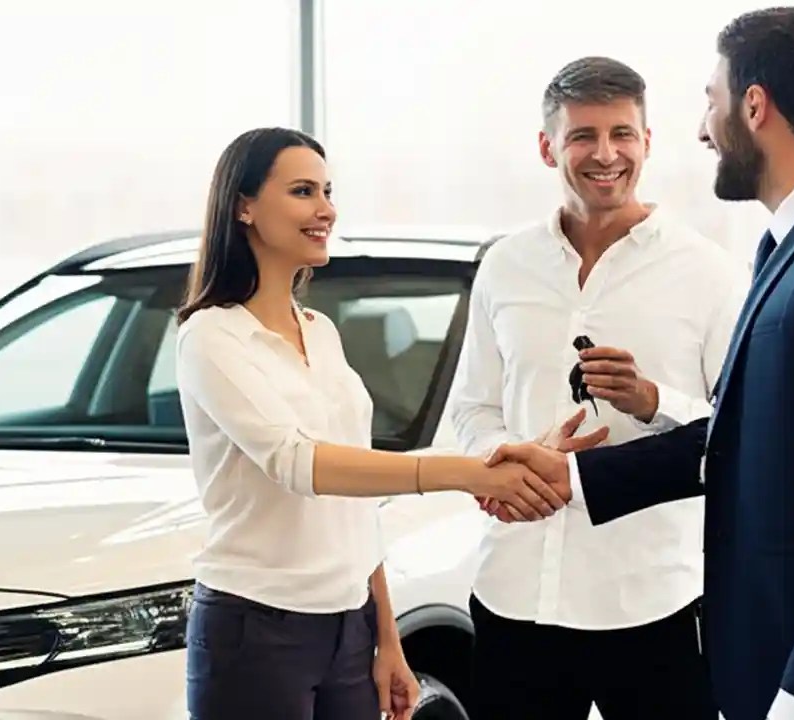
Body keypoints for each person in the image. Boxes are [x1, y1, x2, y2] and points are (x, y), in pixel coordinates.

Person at [486, 8, 794, 720]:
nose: (703, 130)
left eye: (711, 102)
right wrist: (574, 477)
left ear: (754, 106)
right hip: (776, 660)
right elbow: (743, 442)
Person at [173, 127, 585, 720]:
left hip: (348, 626)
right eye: (302, 191)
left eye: (327, 191)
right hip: (256, 629)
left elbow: (354, 510)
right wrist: (471, 474)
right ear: (243, 205)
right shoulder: (213, 336)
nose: (325, 209)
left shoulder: (319, 330)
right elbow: (299, 463)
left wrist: (385, 638)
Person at [448, 56, 747, 720]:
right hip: (514, 596)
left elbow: (743, 430)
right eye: (583, 134)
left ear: (647, 142)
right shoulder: (505, 266)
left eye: (622, 133)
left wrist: (653, 400)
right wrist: (511, 464)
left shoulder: (708, 273)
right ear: (548, 146)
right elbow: (473, 405)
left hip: (650, 603)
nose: (605, 153)